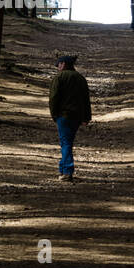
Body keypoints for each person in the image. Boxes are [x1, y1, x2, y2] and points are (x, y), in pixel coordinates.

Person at [48, 53, 91, 182]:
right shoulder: (80, 78)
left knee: (65, 143)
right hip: (77, 117)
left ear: (64, 64)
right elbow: (86, 99)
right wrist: (86, 117)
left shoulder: (59, 77)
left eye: (59, 64)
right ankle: (62, 169)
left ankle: (67, 171)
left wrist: (53, 114)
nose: (58, 67)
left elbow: (53, 98)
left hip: (63, 116)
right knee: (67, 142)